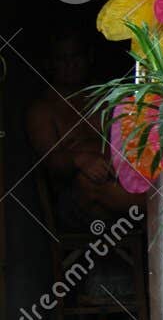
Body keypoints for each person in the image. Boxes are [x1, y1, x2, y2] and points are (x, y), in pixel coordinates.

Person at [26, 30, 144, 227]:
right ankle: (157, 212)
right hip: (74, 197)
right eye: (62, 59)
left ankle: (156, 211)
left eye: (76, 56)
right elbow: (50, 162)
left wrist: (115, 164)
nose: (70, 64)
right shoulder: (43, 110)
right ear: (50, 63)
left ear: (89, 57)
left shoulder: (107, 96)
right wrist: (79, 159)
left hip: (119, 180)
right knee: (86, 181)